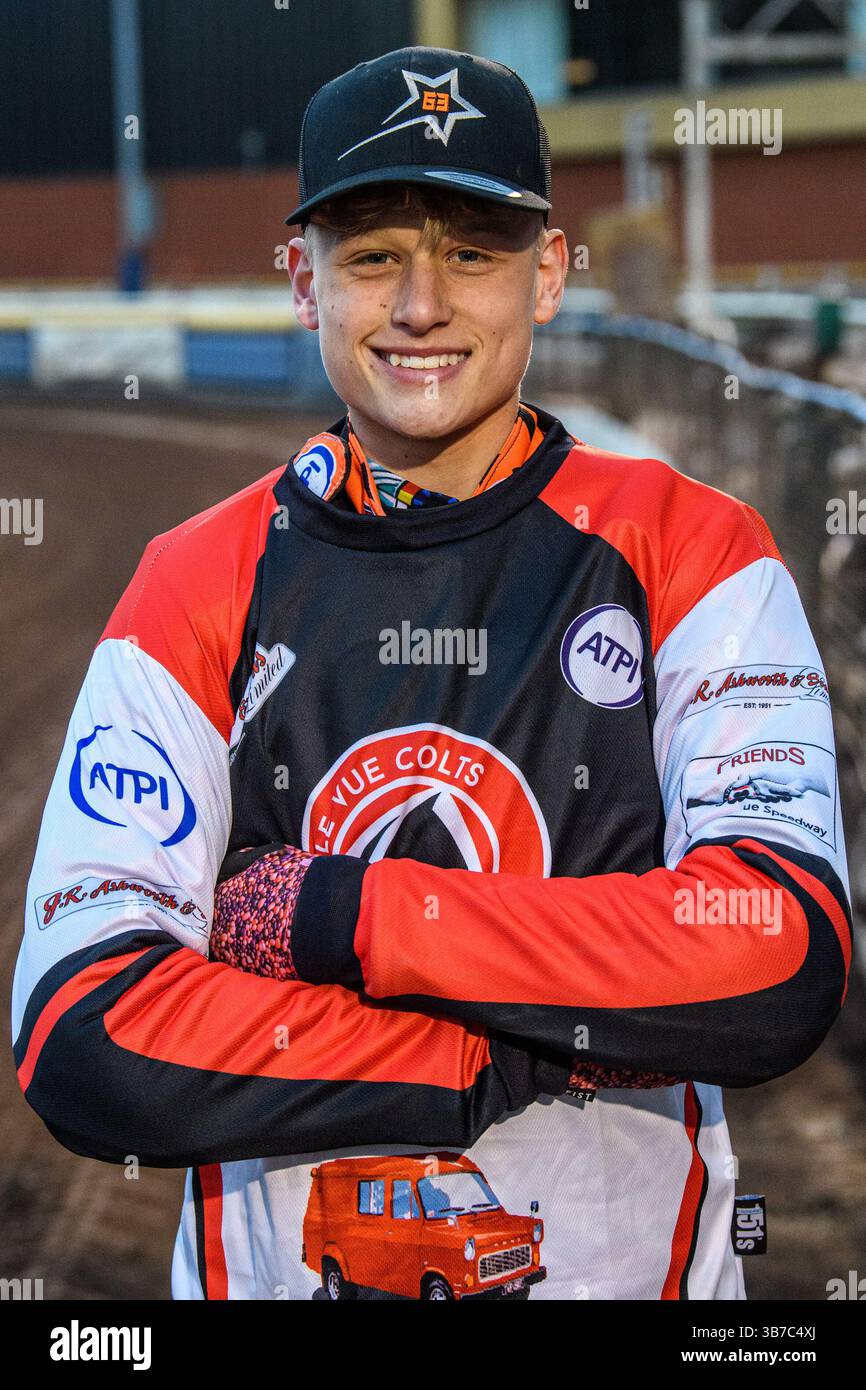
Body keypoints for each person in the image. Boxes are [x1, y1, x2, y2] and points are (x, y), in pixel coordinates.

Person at [13, 46, 851, 1302]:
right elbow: (88, 1031)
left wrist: (335, 918)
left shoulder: (697, 550)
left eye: (471, 251)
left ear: (550, 273)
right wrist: (514, 1058)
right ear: (302, 280)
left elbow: (772, 951)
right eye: (369, 256)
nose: (420, 306)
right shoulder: (192, 578)